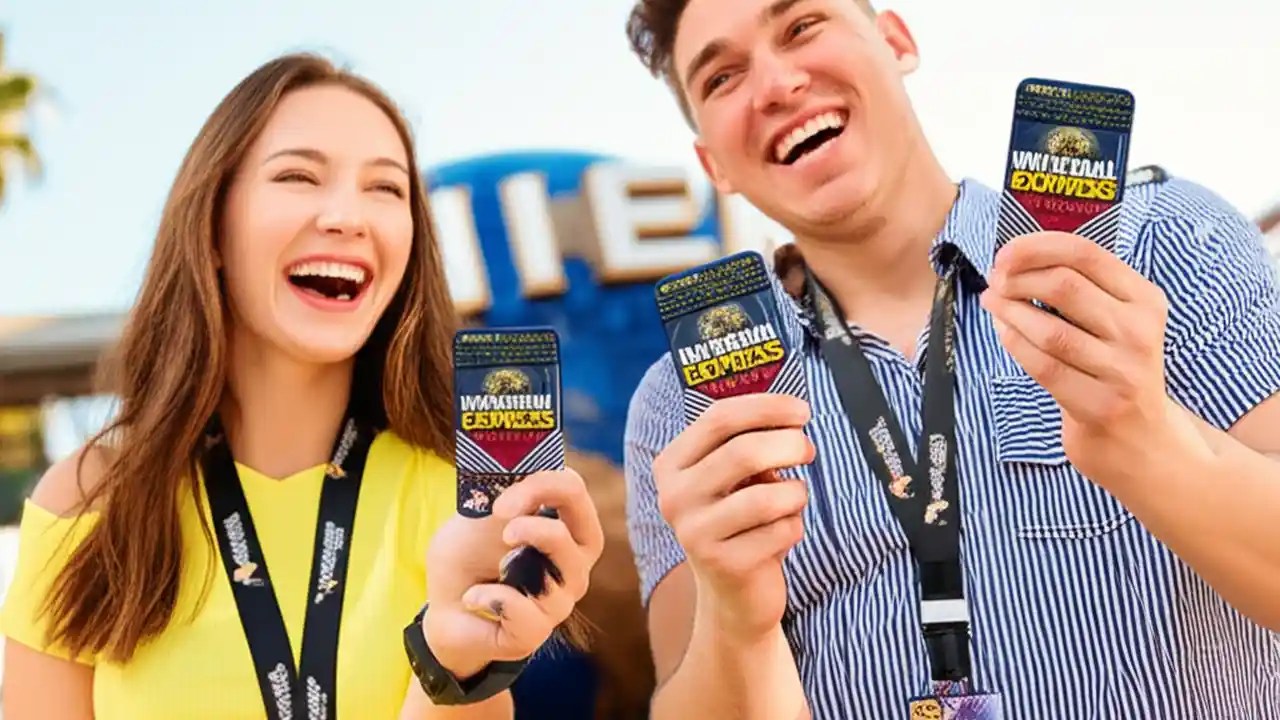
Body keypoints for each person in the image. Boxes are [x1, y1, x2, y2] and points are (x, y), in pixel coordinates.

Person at [620, 1, 1280, 719]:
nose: (776, 84)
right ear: (714, 163)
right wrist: (734, 618)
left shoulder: (1163, 243)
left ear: (896, 41)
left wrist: (1150, 442)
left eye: (802, 26)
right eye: (721, 77)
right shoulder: (688, 405)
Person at [0, 53, 604, 720]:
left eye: (385, 188)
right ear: (213, 226)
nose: (348, 215)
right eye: (297, 175)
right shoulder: (92, 499)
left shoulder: (466, 507)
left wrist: (453, 660)